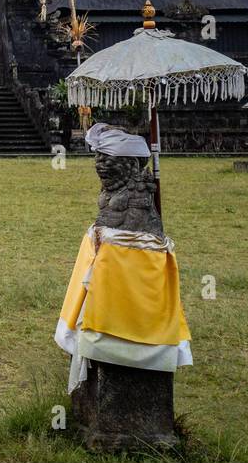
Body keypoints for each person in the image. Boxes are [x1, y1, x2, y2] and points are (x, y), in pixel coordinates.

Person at [55, 123, 192, 393]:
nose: (100, 166)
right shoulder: (113, 193)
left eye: (108, 160)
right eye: (98, 159)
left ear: (130, 165)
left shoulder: (137, 197)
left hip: (133, 273)